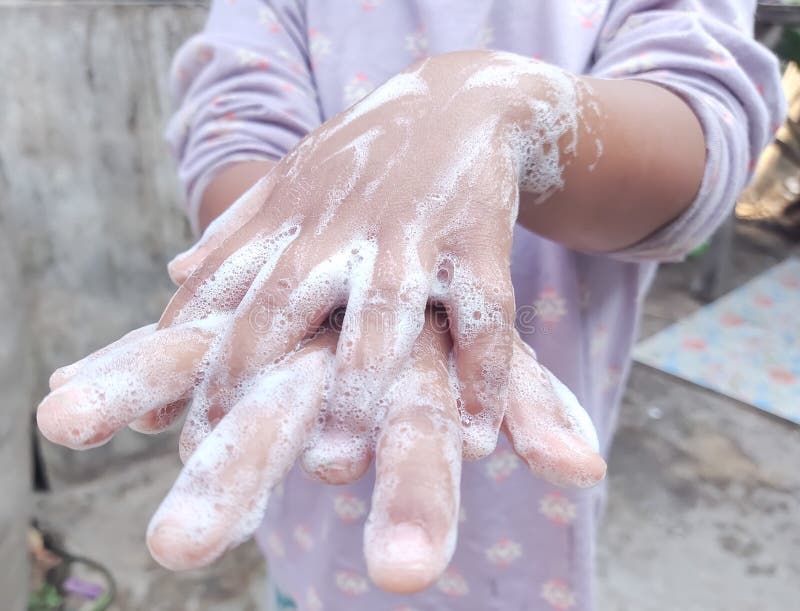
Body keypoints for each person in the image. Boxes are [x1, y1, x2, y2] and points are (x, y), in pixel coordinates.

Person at [37, 1, 784, 609]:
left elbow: (702, 119)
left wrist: (503, 107)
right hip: (310, 494)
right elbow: (233, 119)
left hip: (525, 523)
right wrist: (324, 276)